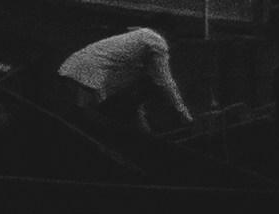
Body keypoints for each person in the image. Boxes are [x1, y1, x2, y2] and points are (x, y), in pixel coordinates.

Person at [55, 23, 196, 135]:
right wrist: (183, 113)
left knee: (90, 121)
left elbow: (133, 98)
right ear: (168, 34)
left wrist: (145, 130)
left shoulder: (137, 40)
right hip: (87, 74)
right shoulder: (157, 42)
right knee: (92, 127)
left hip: (71, 66)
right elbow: (166, 81)